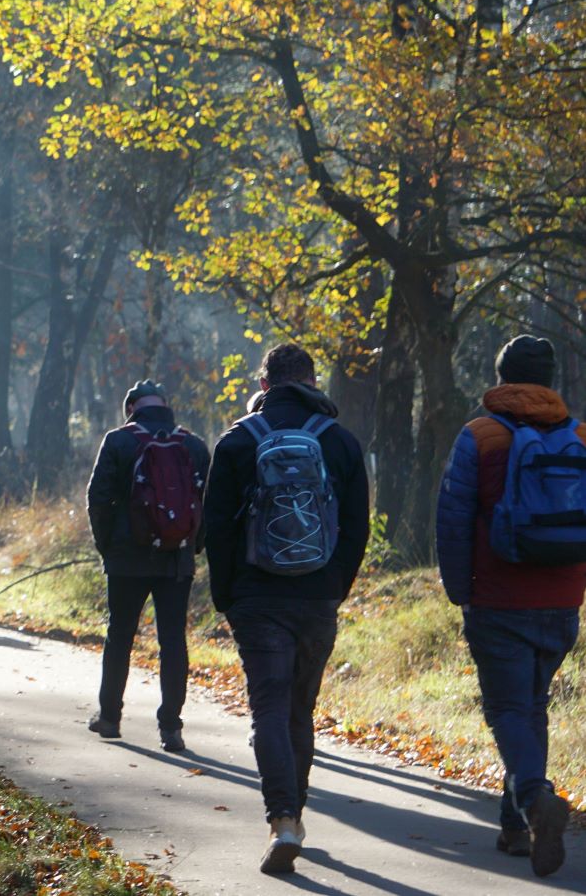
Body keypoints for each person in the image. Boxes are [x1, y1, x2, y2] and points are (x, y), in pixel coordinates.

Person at [204, 343, 369, 875]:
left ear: (265, 382)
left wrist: (227, 596)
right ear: (312, 382)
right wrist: (334, 587)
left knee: (269, 709)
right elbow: (358, 527)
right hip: (318, 596)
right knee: (300, 709)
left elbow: (216, 528)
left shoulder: (237, 441)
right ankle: (292, 812)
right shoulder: (340, 442)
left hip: (256, 596)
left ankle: (285, 820)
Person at [436, 335, 584, 877]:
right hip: (563, 600)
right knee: (533, 705)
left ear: (501, 379)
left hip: (499, 599)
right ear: (549, 381)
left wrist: (461, 591)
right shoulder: (580, 436)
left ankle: (532, 797)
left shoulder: (480, 435)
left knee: (506, 710)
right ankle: (516, 829)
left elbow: (451, 521)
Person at [84, 381, 210, 753]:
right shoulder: (194, 444)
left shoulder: (119, 441)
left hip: (127, 557)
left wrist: (106, 545)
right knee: (173, 639)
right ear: (167, 406)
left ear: (131, 409)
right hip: (177, 558)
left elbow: (97, 498)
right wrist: (194, 546)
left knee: (120, 634)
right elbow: (208, 501)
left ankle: (109, 717)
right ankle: (171, 727)